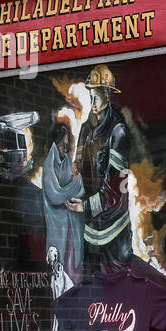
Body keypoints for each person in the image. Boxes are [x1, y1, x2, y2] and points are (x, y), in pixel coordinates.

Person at [70, 64, 132, 273]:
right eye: (91, 96)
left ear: (107, 94)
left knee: (117, 295)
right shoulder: (87, 128)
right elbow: (77, 165)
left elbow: (114, 190)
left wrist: (84, 207)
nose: (92, 102)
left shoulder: (118, 132)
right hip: (90, 230)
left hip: (114, 232)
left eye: (96, 96)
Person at [41, 121, 84, 286]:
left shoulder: (66, 161)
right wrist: (77, 184)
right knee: (59, 271)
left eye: (67, 145)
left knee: (73, 267)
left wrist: (75, 186)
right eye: (61, 145)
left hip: (70, 224)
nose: (65, 149)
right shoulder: (48, 166)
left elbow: (73, 192)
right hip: (57, 227)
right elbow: (55, 195)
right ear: (55, 144)